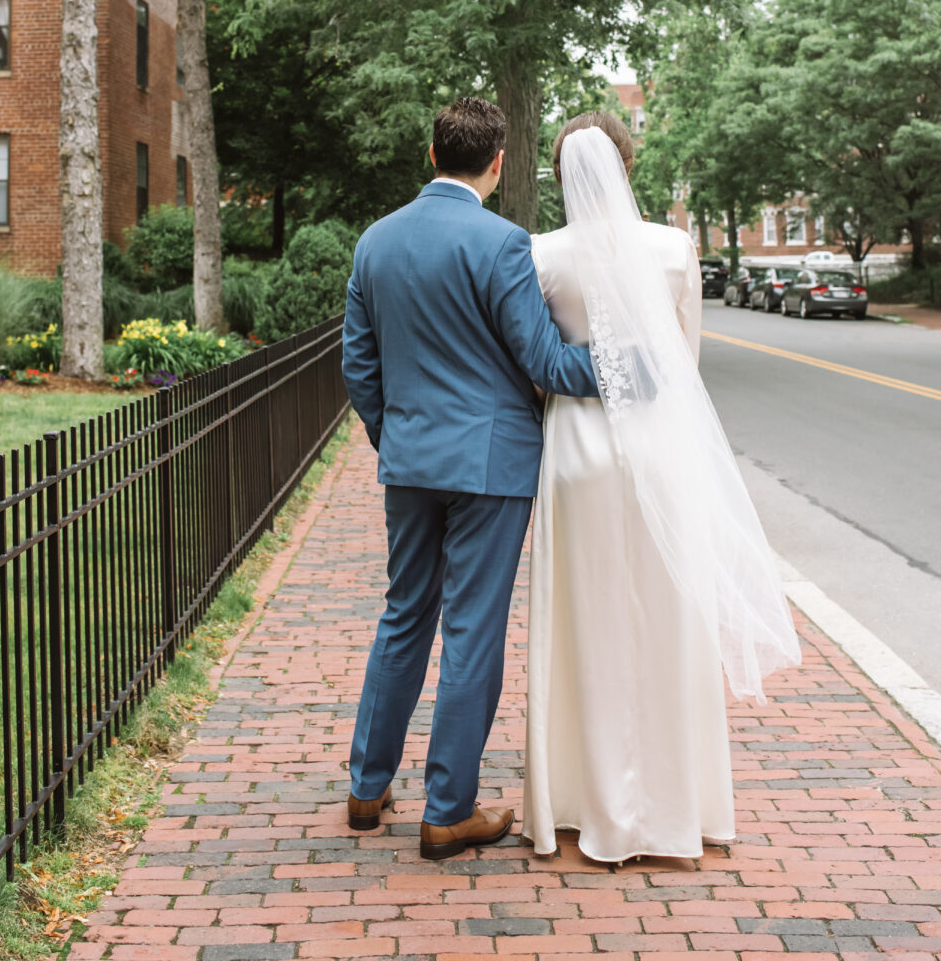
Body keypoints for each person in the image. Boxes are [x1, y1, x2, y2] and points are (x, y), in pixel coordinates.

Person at [523, 113, 800, 864]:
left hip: (577, 451)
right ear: (628, 163)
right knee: (667, 620)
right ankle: (682, 808)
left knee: (586, 622)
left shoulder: (541, 255)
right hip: (659, 448)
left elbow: (536, 360)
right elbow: (686, 366)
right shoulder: (676, 249)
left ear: (560, 171)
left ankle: (584, 804)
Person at [342, 96, 599, 861]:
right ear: (497, 163)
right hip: (491, 465)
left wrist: (398, 438)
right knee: (472, 633)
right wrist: (632, 363)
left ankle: (366, 784)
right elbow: (548, 364)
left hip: (411, 459)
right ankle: (447, 810)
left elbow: (359, 366)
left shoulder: (375, 243)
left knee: (403, 616)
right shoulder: (503, 244)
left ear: (430, 155)